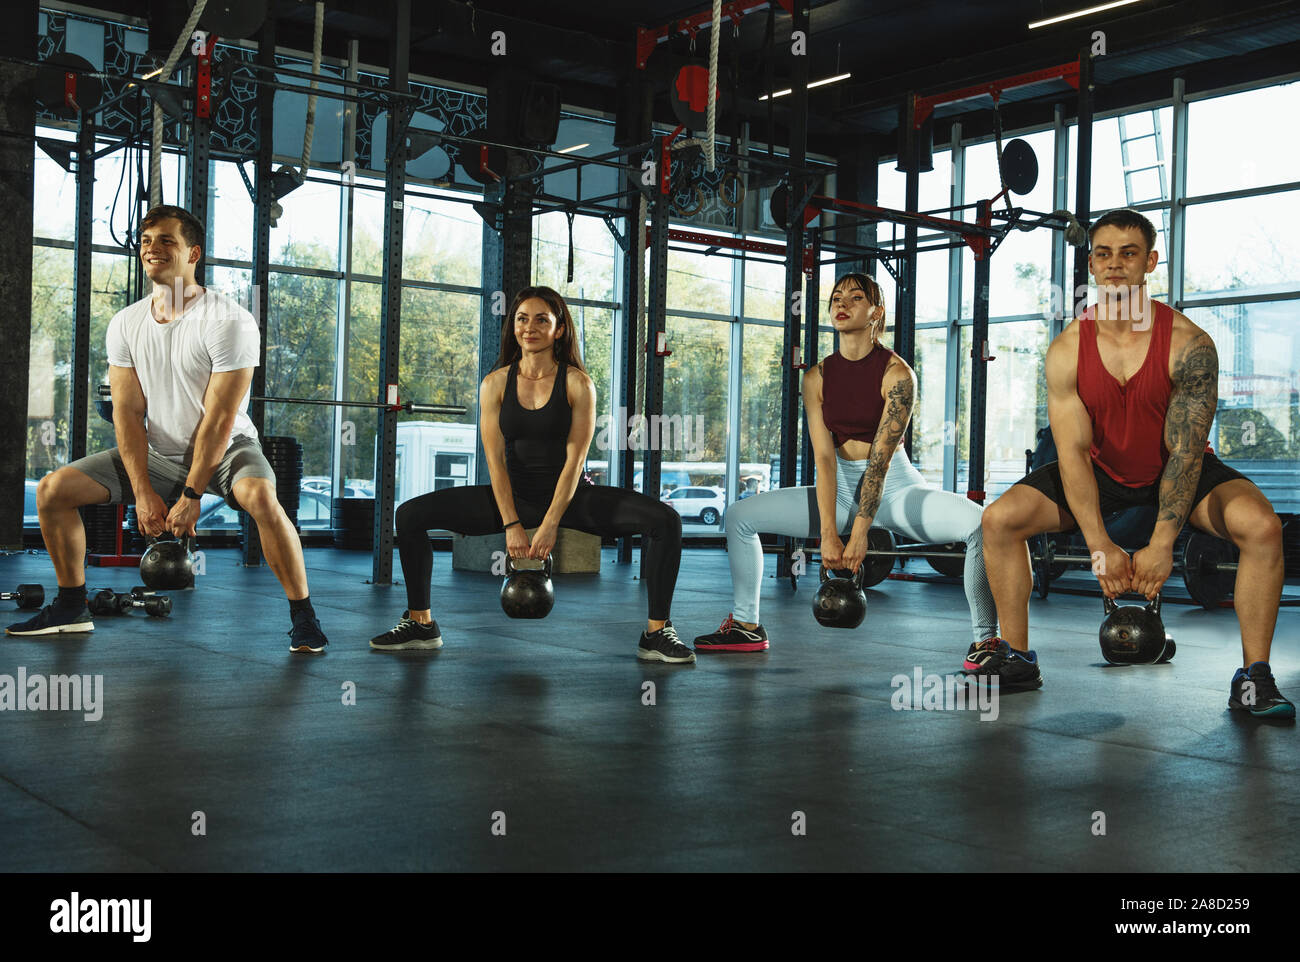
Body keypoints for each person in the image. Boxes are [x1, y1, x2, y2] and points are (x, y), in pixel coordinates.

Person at [975, 208, 1292, 716]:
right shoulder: (1068, 349)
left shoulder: (1189, 344)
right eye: (1103, 254)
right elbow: (1072, 453)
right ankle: (1017, 658)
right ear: (1091, 265)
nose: (1115, 264)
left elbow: (1186, 453)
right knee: (998, 520)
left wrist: (1163, 544)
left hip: (1176, 470)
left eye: (1128, 253)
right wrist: (1099, 545)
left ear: (1150, 261)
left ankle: (1254, 677)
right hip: (1100, 472)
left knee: (1263, 527)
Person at [8, 204, 329, 654]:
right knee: (52, 491)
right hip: (159, 452)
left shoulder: (229, 321)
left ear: (193, 253)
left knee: (260, 497)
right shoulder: (127, 323)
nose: (151, 249)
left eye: (165, 241)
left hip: (227, 449)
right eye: (145, 241)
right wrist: (142, 492)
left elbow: (219, 419)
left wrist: (192, 495)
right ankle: (71, 607)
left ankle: (304, 617)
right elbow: (127, 413)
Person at [372, 285, 695, 663]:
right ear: (513, 326)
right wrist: (512, 523)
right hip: (514, 497)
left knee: (666, 521)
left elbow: (575, 461)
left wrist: (550, 523)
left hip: (571, 498)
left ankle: (657, 633)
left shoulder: (577, 383)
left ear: (559, 329)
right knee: (410, 515)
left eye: (542, 320)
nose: (530, 327)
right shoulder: (495, 383)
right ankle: (421, 623)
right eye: (522, 319)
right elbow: (494, 460)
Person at [693, 273, 999, 653]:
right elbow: (824, 459)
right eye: (837, 297)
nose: (842, 303)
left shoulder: (898, 375)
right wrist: (827, 534)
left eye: (856, 298)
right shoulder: (816, 377)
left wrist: (859, 536)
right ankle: (746, 626)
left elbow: (879, 465)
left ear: (876, 313)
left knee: (981, 524)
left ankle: (987, 641)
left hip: (896, 491)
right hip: (837, 489)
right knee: (740, 516)